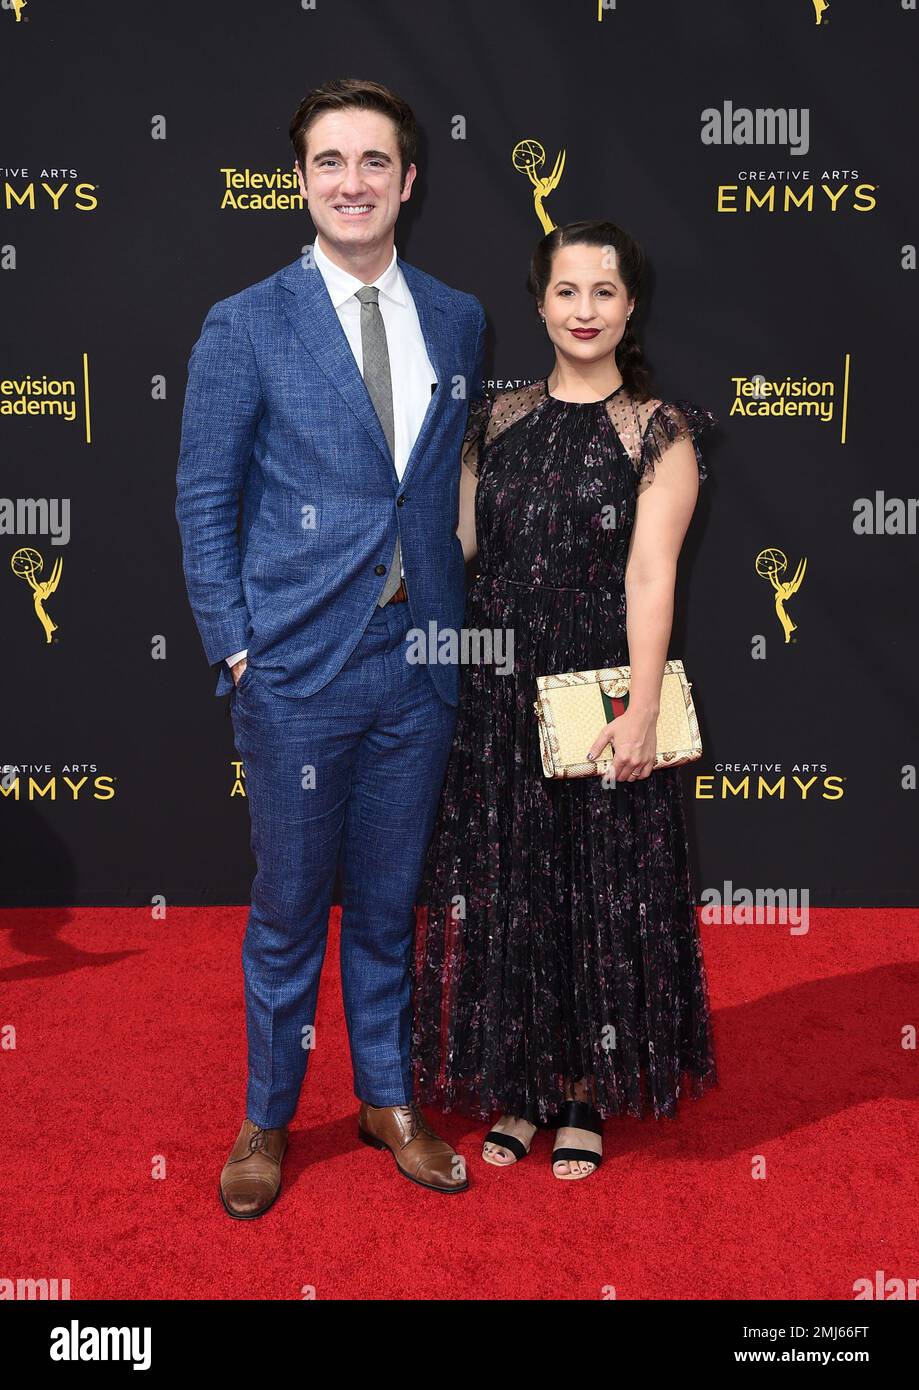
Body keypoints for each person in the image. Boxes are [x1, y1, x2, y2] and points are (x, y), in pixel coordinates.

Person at [175, 78, 485, 1217]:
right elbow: (204, 498)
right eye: (327, 163)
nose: (349, 183)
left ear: (408, 179)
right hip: (297, 669)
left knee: (394, 901)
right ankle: (267, 1112)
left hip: (420, 665)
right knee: (290, 906)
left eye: (372, 162)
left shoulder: (455, 316)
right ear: (299, 180)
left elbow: (439, 490)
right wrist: (237, 648)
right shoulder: (245, 323)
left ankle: (388, 1097)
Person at [412, 220, 719, 1180]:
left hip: (593, 693)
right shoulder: (491, 422)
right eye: (565, 292)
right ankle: (519, 1083)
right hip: (497, 694)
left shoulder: (659, 431)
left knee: (594, 889)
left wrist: (635, 708)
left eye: (604, 293)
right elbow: (457, 546)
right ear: (538, 302)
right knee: (510, 888)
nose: (583, 311)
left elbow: (649, 577)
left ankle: (582, 1091)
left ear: (630, 308)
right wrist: (363, 585)